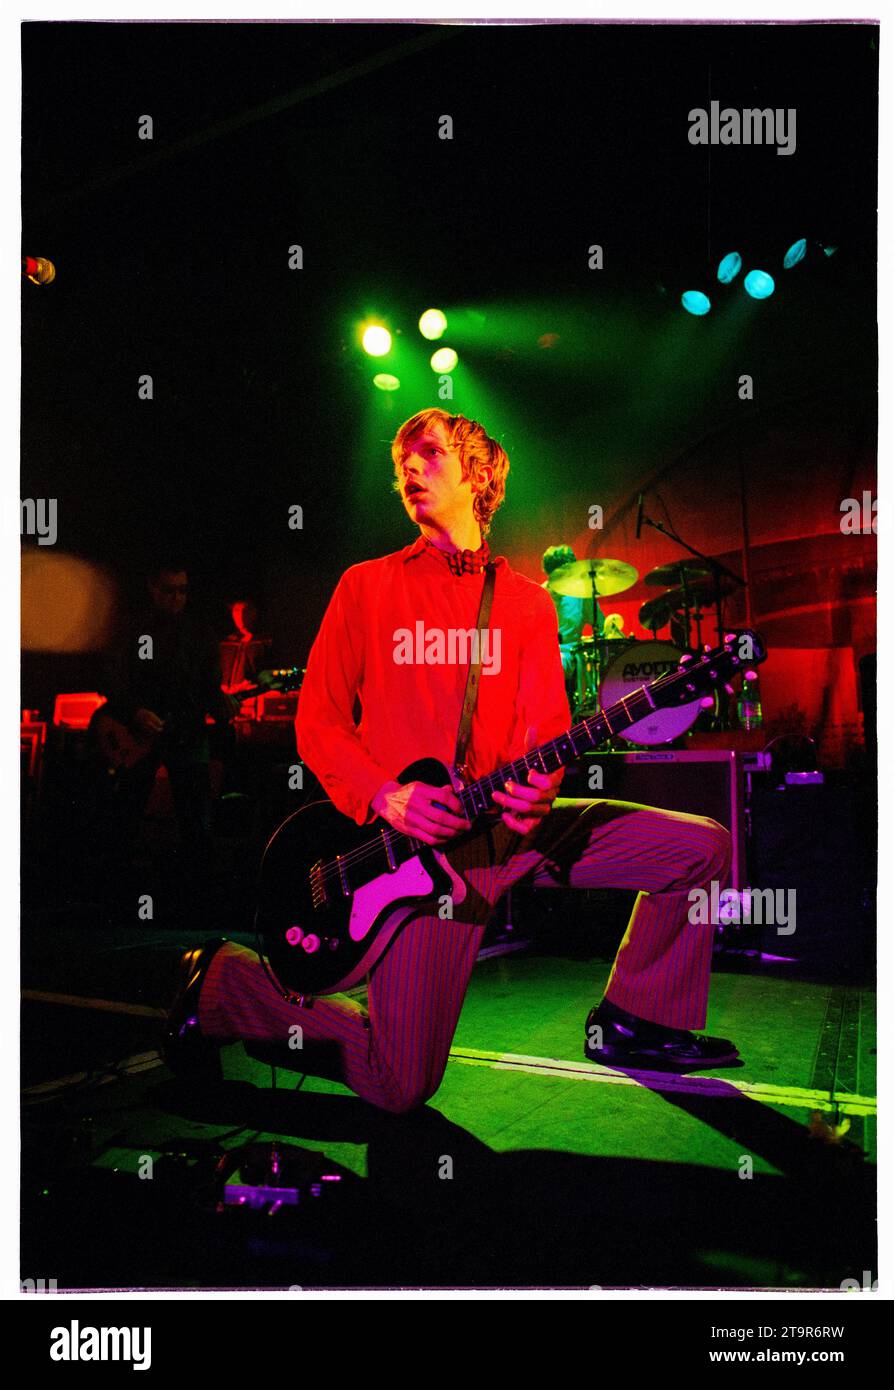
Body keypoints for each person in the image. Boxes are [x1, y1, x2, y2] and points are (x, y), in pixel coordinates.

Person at [165, 410, 738, 1111]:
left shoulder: (527, 604)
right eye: (401, 460)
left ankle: (637, 1020)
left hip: (515, 831)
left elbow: (546, 731)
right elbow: (317, 721)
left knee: (701, 847)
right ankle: (227, 985)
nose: (409, 469)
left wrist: (539, 787)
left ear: (479, 474)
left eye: (428, 454)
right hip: (417, 858)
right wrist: (386, 795)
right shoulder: (366, 587)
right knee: (400, 1083)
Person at [98, 561, 234, 879]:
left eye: (182, 591)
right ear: (152, 588)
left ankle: (194, 900)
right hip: (138, 734)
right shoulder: (132, 628)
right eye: (169, 590)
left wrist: (222, 708)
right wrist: (135, 713)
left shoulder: (201, 634)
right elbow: (109, 676)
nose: (176, 598)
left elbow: (209, 690)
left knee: (196, 823)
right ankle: (114, 894)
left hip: (186, 734)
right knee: (125, 817)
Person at [541, 543, 606, 711]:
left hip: (569, 653)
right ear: (549, 573)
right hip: (542, 653)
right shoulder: (538, 595)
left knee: (557, 665)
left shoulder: (580, 594)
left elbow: (601, 626)